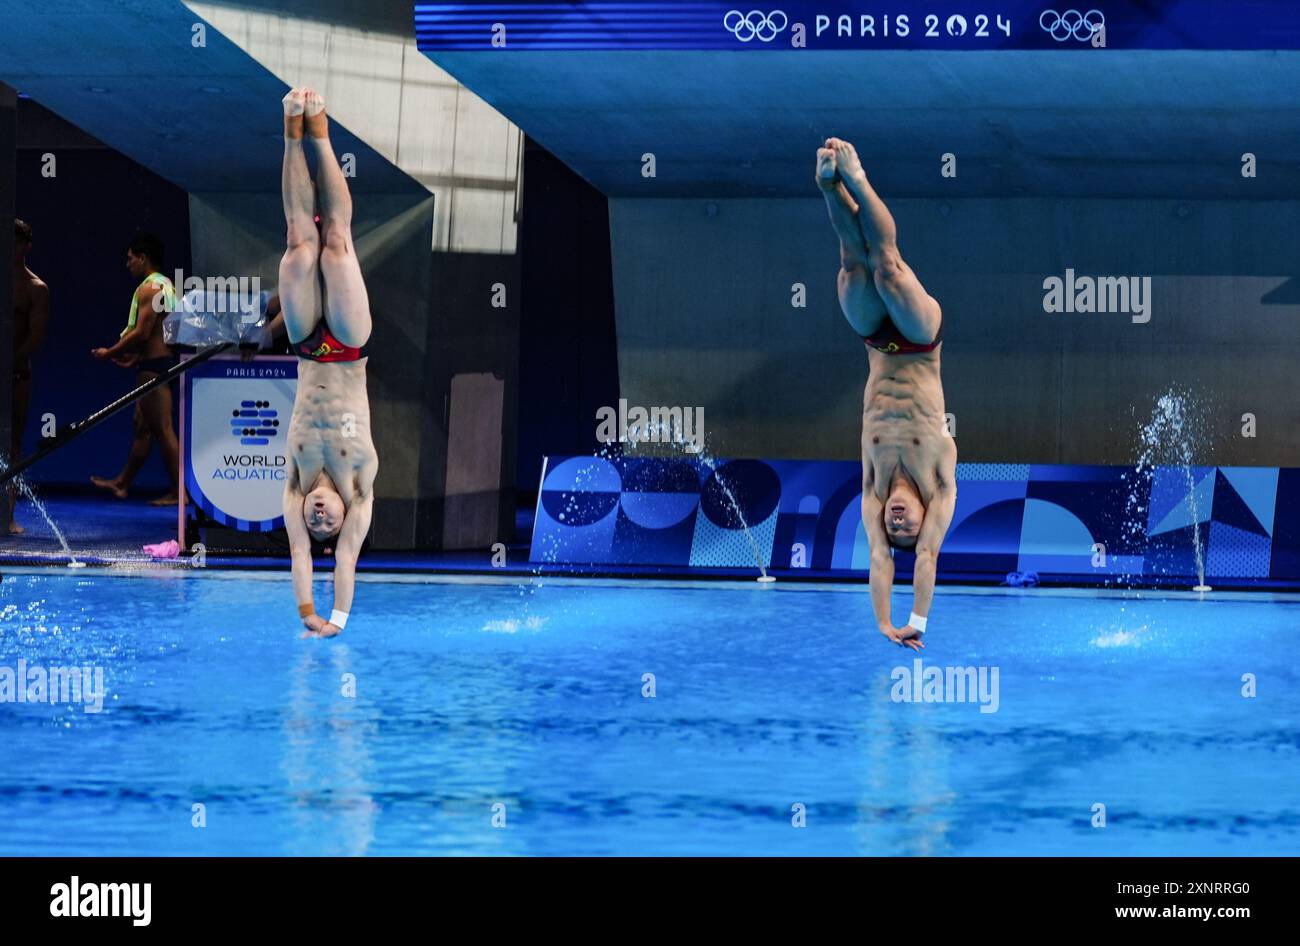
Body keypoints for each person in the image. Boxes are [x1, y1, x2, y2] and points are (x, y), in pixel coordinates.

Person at [817, 138, 957, 651]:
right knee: (888, 268)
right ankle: (858, 177)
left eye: (892, 528)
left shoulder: (873, 490)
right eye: (907, 529)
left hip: (877, 341)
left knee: (854, 266)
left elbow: (881, 558)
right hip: (920, 343)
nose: (897, 525)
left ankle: (830, 186)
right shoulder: (939, 482)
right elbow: (925, 558)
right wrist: (915, 621)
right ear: (923, 518)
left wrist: (883, 623)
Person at [279, 88, 378, 639]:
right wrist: (335, 618)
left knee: (299, 242)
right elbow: (342, 561)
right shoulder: (359, 484)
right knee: (336, 243)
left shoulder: (295, 486)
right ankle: (321, 131)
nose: (318, 516)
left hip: (305, 344)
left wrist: (305, 614)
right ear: (343, 517)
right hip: (347, 344)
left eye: (314, 520)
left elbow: (300, 554)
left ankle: (292, 130)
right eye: (327, 521)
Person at [90, 233, 181, 505]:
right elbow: (160, 332)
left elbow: (142, 333)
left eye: (130, 259)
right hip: (156, 362)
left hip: (154, 368)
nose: (127, 264)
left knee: (163, 429)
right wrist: (134, 358)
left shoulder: (150, 289)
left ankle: (180, 493)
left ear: (143, 258)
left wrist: (110, 353)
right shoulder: (166, 285)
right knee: (142, 425)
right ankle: (123, 482)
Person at [8, 219, 50, 534]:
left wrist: (8, 362)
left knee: (13, 443)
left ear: (27, 246)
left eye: (16, 243)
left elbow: (35, 337)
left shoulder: (35, 288)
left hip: (16, 372)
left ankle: (7, 515)